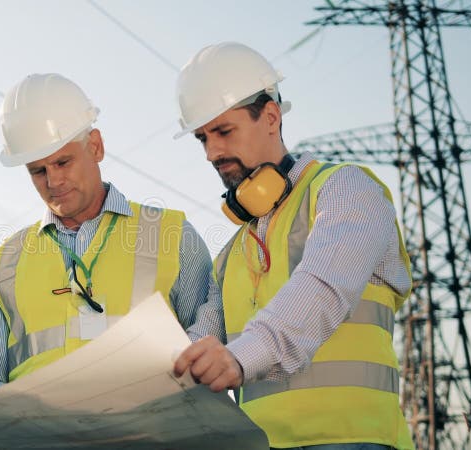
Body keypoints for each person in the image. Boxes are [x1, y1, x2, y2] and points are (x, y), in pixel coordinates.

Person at [171, 42, 414, 450]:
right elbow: (195, 349)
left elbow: (322, 287)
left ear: (270, 117)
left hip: (356, 441)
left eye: (224, 131)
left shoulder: (346, 190)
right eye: (202, 138)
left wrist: (241, 357)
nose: (212, 152)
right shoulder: (230, 256)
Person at [0, 73, 222, 399]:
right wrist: (23, 415)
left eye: (62, 162)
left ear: (95, 147)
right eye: (38, 171)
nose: (53, 181)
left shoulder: (172, 235)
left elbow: (209, 343)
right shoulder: (3, 265)